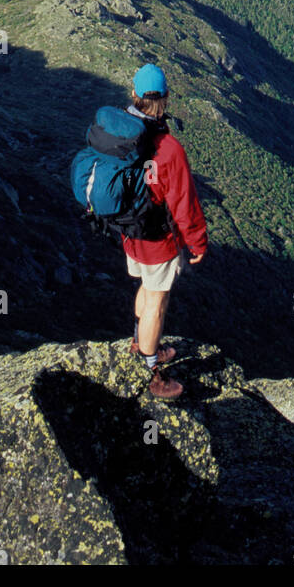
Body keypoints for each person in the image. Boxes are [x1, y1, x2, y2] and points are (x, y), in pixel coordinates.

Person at [123, 63, 207, 400]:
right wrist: (197, 242)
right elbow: (184, 205)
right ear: (166, 99)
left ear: (134, 96)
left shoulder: (121, 135)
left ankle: (140, 340)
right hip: (158, 240)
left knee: (147, 286)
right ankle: (153, 372)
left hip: (129, 233)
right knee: (157, 301)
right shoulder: (169, 150)